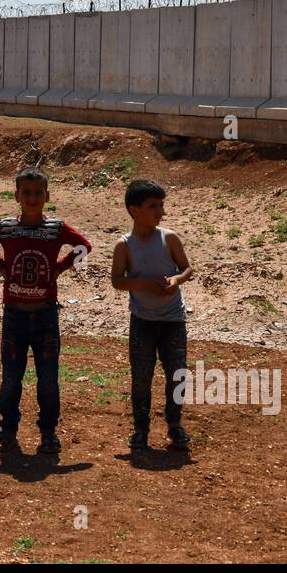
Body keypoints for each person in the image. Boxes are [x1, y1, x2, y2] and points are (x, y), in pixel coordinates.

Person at [0, 167, 91, 456]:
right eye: (27, 192)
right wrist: (1, 266)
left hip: (46, 316)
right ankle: (7, 430)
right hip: (14, 316)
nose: (33, 197)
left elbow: (84, 246)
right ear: (17, 196)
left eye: (38, 192)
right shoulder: (6, 228)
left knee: (48, 378)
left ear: (47, 195)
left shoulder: (57, 229)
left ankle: (48, 432)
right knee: (11, 377)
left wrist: (58, 269)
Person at [109, 179, 194, 451]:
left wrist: (176, 281)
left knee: (177, 374)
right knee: (141, 377)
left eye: (161, 205)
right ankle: (141, 429)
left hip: (173, 320)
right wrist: (145, 283)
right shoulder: (124, 246)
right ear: (134, 210)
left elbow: (187, 269)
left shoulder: (168, 238)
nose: (160, 212)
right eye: (153, 206)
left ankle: (174, 424)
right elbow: (116, 281)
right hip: (142, 321)